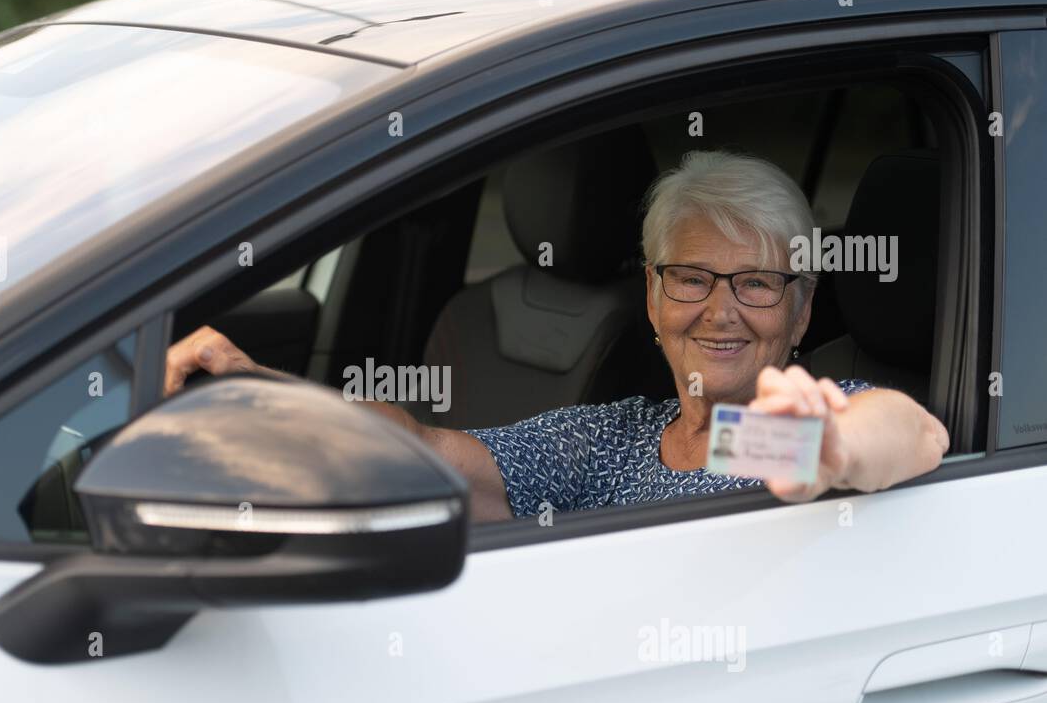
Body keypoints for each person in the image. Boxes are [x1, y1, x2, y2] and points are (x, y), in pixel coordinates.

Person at [164, 150, 949, 522]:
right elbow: (425, 453)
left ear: (801, 312)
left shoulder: (810, 421)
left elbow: (914, 436)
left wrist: (824, 447)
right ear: (653, 298)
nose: (721, 310)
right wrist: (256, 393)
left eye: (757, 282)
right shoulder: (610, 440)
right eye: (691, 278)